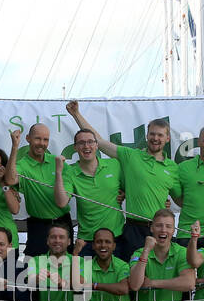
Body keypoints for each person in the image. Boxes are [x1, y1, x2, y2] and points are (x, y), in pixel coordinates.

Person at [66, 99, 178, 260]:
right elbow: (99, 141)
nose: (155, 138)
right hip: (133, 229)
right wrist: (76, 114)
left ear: (167, 138)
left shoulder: (173, 168)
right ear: (146, 136)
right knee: (131, 276)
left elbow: (179, 199)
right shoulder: (130, 156)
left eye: (160, 135)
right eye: (152, 134)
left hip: (159, 230)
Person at [55, 129, 126, 259]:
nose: (86, 146)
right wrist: (59, 172)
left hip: (116, 238)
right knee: (83, 279)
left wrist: (124, 193)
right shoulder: (70, 172)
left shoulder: (114, 165)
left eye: (90, 142)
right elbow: (61, 202)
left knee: (118, 278)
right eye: (81, 143)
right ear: (75, 147)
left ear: (97, 145)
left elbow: (131, 187)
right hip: (87, 241)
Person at [3, 123, 70, 257]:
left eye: (45, 140)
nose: (42, 143)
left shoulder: (57, 161)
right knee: (34, 270)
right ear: (28, 138)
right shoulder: (22, 164)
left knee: (66, 268)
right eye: (37, 139)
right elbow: (10, 180)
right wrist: (15, 147)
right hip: (38, 226)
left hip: (63, 222)